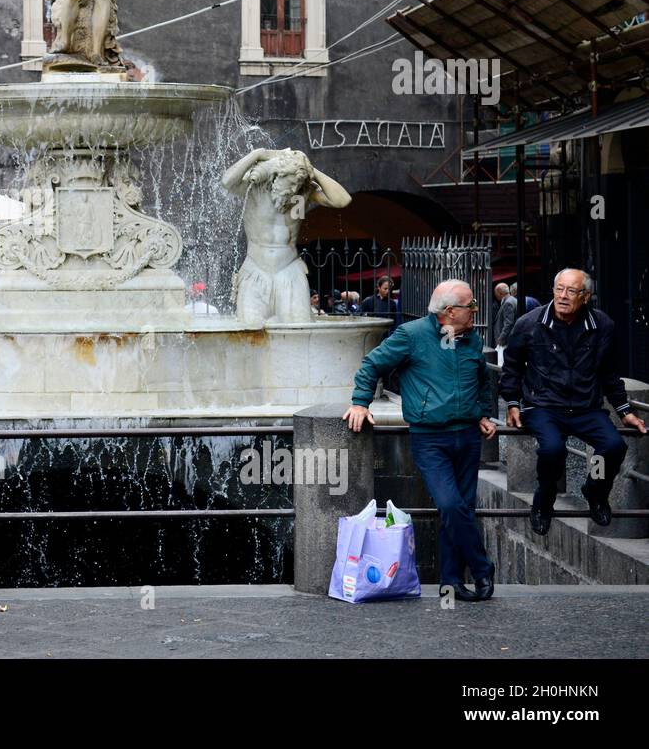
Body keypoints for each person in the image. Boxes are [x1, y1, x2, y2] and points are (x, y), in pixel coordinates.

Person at [344, 278, 497, 602]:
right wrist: (360, 402)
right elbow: (372, 365)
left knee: (460, 510)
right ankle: (483, 569)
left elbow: (482, 378)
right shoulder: (411, 336)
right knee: (451, 505)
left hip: (468, 435)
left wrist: (484, 412)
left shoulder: (471, 339)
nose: (475, 310)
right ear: (450, 312)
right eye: (470, 305)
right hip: (430, 438)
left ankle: (451, 584)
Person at [501, 268, 645, 535]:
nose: (563, 296)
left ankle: (595, 490)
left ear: (586, 296)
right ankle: (544, 499)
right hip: (542, 405)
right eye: (559, 289)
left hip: (585, 407)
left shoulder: (602, 325)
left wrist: (624, 410)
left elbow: (609, 373)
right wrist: (511, 402)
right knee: (553, 450)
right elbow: (512, 368)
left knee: (612, 447)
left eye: (572, 291)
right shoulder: (529, 324)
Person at [220, 148, 351, 325]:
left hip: (289, 270)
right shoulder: (255, 186)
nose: (292, 189)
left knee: (298, 329)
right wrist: (257, 154)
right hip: (256, 269)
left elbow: (342, 200)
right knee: (249, 330)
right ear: (278, 174)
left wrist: (310, 169)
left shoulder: (304, 191)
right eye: (290, 182)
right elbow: (227, 182)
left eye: (297, 184)